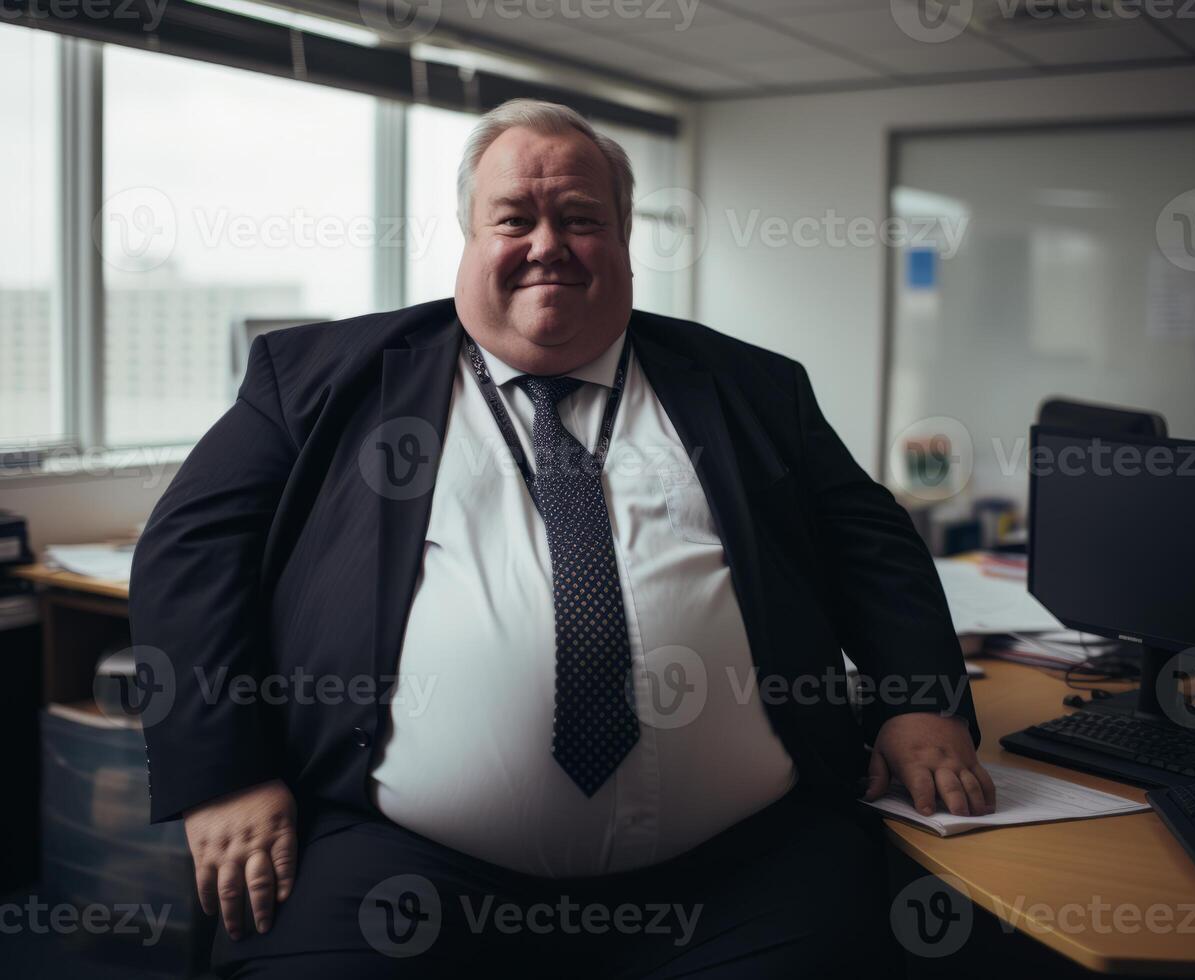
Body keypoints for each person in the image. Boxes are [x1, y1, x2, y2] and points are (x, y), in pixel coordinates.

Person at [129, 98, 993, 978]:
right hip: (400, 857)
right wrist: (225, 773)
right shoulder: (316, 380)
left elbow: (869, 543)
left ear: (621, 236)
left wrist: (916, 702)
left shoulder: (751, 387)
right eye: (514, 219)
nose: (548, 243)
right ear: (469, 236)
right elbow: (188, 552)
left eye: (581, 218)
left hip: (743, 868)